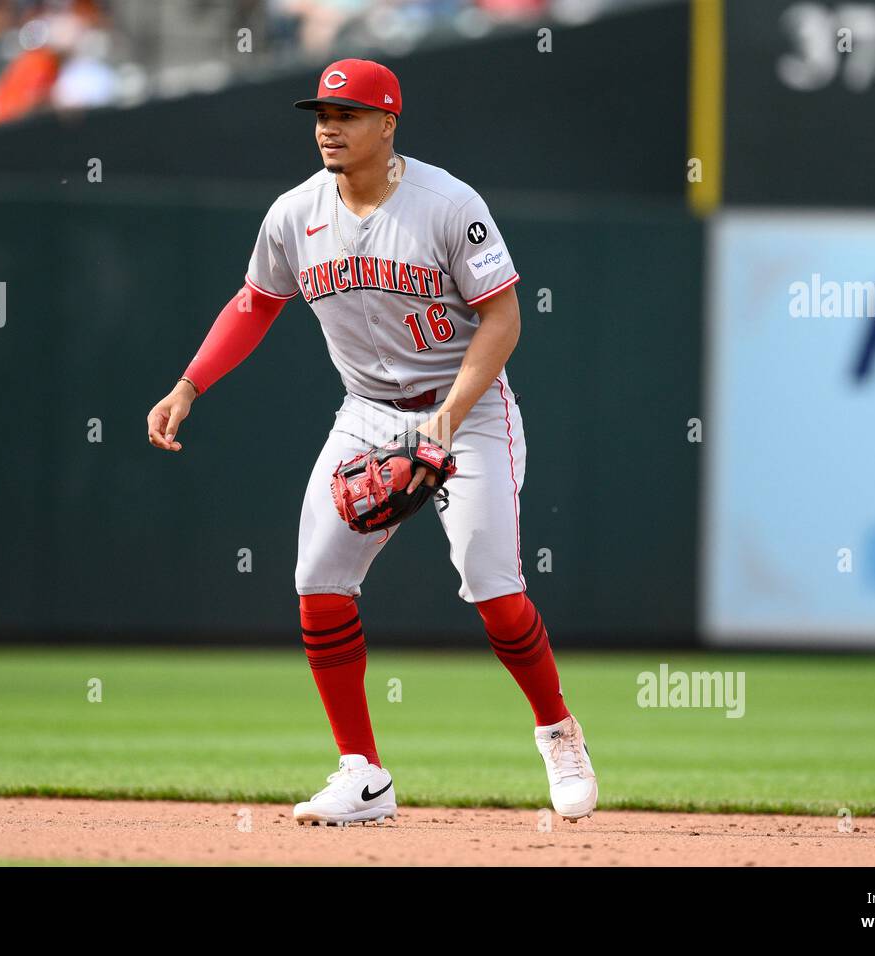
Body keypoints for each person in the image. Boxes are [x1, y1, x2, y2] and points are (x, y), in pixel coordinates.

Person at [147, 58, 597, 826]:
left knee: (491, 583)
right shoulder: (294, 214)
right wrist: (190, 383)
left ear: (387, 124)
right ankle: (362, 772)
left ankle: (557, 731)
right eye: (321, 113)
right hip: (366, 410)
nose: (328, 126)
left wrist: (447, 422)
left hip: (467, 408)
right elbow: (255, 303)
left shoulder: (448, 204)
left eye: (347, 114)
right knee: (318, 575)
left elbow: (504, 319)